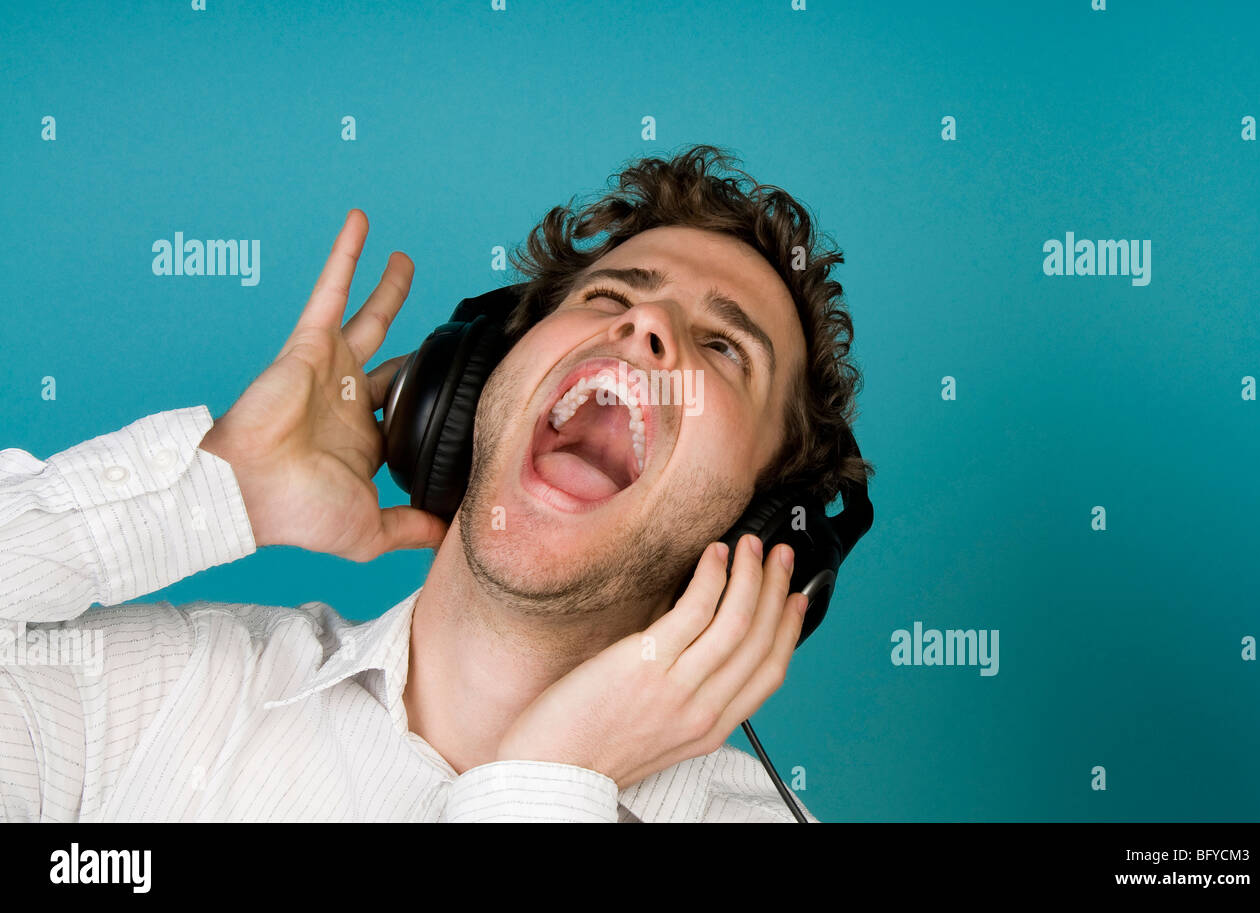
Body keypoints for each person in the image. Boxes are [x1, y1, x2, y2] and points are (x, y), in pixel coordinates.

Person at [0, 145, 872, 822]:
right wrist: (212, 493)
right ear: (472, 382)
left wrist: (547, 778)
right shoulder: (171, 695)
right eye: (610, 297)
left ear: (765, 530)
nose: (647, 323)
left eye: (724, 348)